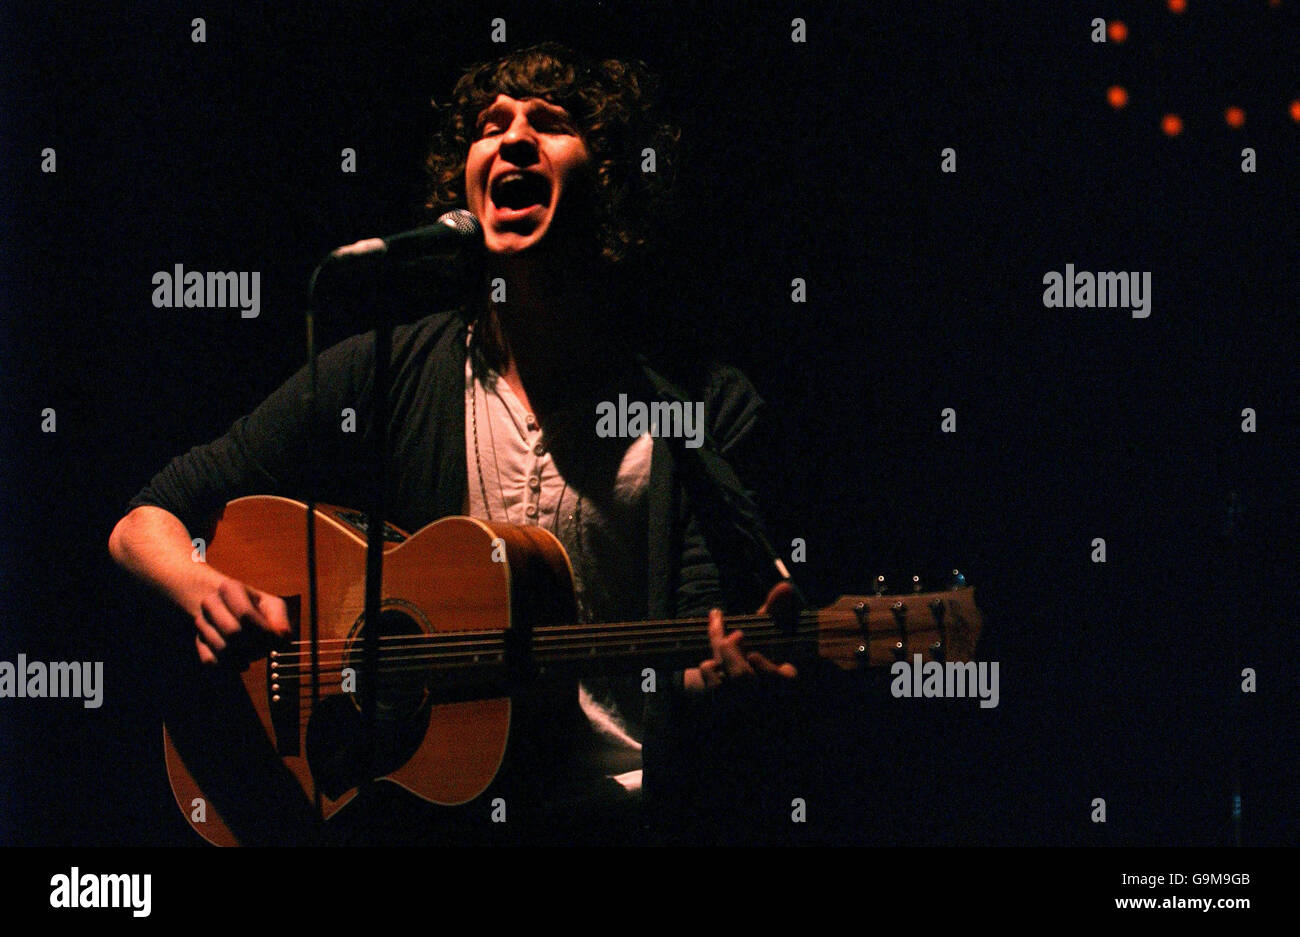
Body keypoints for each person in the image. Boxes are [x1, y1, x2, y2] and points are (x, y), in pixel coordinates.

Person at [108, 41, 798, 845]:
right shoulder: (390, 368)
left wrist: (719, 673)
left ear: (607, 178)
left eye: (551, 123)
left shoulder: (694, 408)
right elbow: (143, 519)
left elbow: (700, 642)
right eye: (489, 124)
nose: (511, 138)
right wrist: (202, 587)